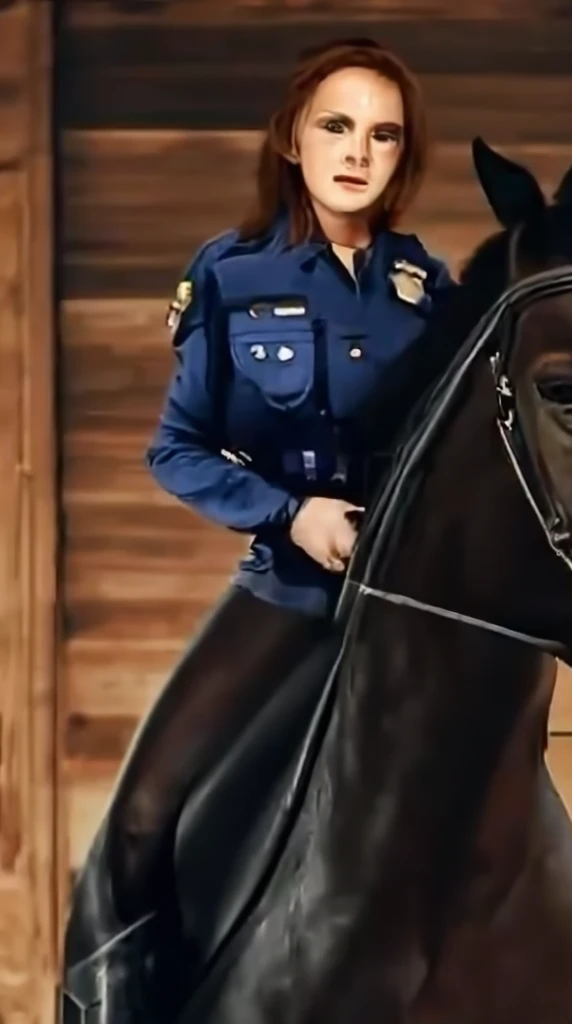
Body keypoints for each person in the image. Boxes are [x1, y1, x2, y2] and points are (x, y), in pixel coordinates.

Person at [60, 37, 452, 1024]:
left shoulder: (430, 293)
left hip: (409, 615)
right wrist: (291, 512)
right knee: (139, 819)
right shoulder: (229, 277)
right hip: (283, 594)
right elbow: (177, 449)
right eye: (336, 125)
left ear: (403, 159)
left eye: (384, 134)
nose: (358, 151)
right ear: (291, 136)